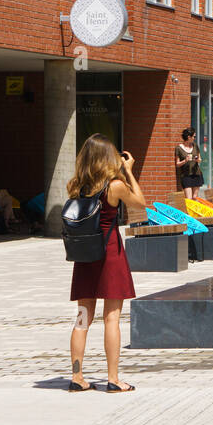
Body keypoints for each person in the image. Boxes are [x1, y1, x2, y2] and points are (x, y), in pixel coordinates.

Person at [68, 134, 147, 393]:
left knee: (82, 318)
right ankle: (113, 379)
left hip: (84, 255)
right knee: (111, 318)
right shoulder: (114, 186)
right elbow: (140, 203)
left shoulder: (76, 185)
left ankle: (77, 377)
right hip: (109, 253)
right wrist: (128, 171)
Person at [176, 127, 203, 200]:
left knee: (194, 197)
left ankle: (194, 211)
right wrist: (185, 160)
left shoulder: (195, 146)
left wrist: (197, 159)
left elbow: (200, 159)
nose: (194, 138)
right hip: (186, 176)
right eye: (194, 136)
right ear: (189, 137)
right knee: (189, 198)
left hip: (196, 174)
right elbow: (177, 164)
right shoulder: (179, 148)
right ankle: (188, 211)